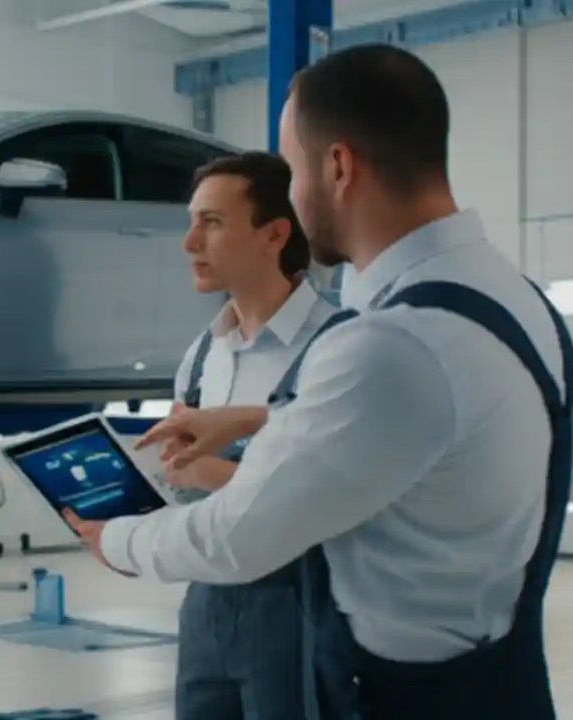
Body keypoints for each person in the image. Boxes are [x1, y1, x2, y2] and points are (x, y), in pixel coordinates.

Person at [65, 43, 573, 720]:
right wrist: (256, 421)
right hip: (500, 683)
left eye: (293, 167)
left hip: (403, 700)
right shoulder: (520, 303)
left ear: (337, 166)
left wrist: (118, 541)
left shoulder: (387, 342)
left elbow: (236, 536)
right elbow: (423, 439)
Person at [159, 152, 339, 719]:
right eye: (192, 222)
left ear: (274, 234)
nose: (189, 243)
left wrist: (210, 472)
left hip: (301, 610)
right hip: (206, 603)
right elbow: (179, 475)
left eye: (211, 223)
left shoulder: (341, 348)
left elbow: (330, 497)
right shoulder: (203, 354)